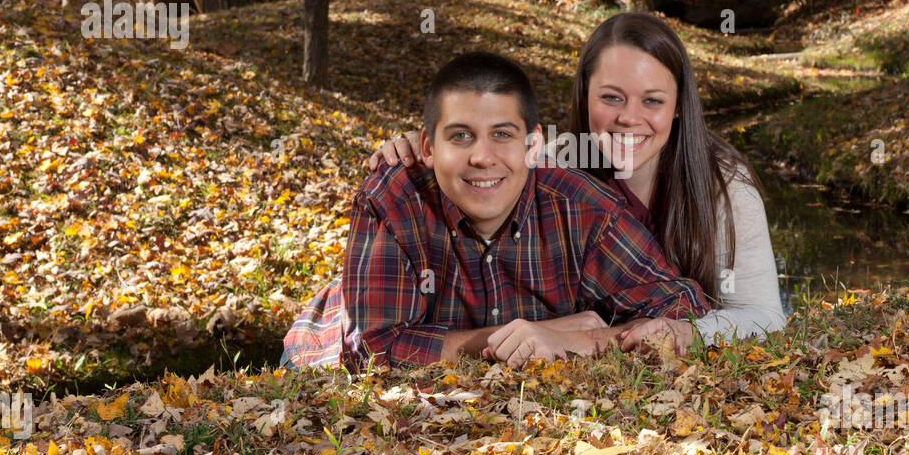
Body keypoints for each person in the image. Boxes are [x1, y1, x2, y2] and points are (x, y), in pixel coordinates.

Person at [370, 12, 787, 355]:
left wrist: (684, 334)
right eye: (611, 97)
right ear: (584, 95)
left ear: (679, 106)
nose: (629, 117)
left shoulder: (722, 184)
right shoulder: (553, 168)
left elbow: (766, 316)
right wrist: (422, 155)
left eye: (653, 100)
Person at [281, 51, 708, 372]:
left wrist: (589, 340)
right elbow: (370, 352)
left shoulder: (580, 207)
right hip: (316, 355)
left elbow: (681, 303)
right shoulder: (393, 198)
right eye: (461, 136)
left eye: (502, 135)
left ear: (533, 145)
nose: (483, 158)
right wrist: (531, 336)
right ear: (429, 147)